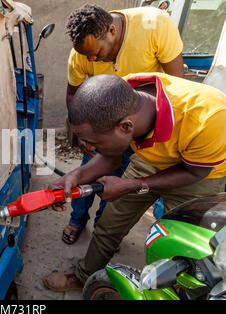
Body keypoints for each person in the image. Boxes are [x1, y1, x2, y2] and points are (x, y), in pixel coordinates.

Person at [42, 72, 226, 291]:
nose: (87, 148)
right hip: (150, 161)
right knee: (109, 223)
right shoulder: (119, 99)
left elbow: (193, 173)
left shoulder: (209, 116)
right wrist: (75, 176)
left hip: (197, 176)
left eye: (91, 142)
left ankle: (166, 292)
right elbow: (111, 156)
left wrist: (134, 184)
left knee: (180, 247)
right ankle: (84, 276)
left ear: (126, 127)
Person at [62, 3, 185, 245]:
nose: (92, 59)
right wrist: (84, 137)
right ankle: (77, 220)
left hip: (141, 131)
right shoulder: (82, 53)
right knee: (87, 173)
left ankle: (101, 228)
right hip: (101, 131)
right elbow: (72, 95)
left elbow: (177, 87)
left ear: (111, 31)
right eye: (87, 56)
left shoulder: (155, 25)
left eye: (96, 53)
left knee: (117, 183)